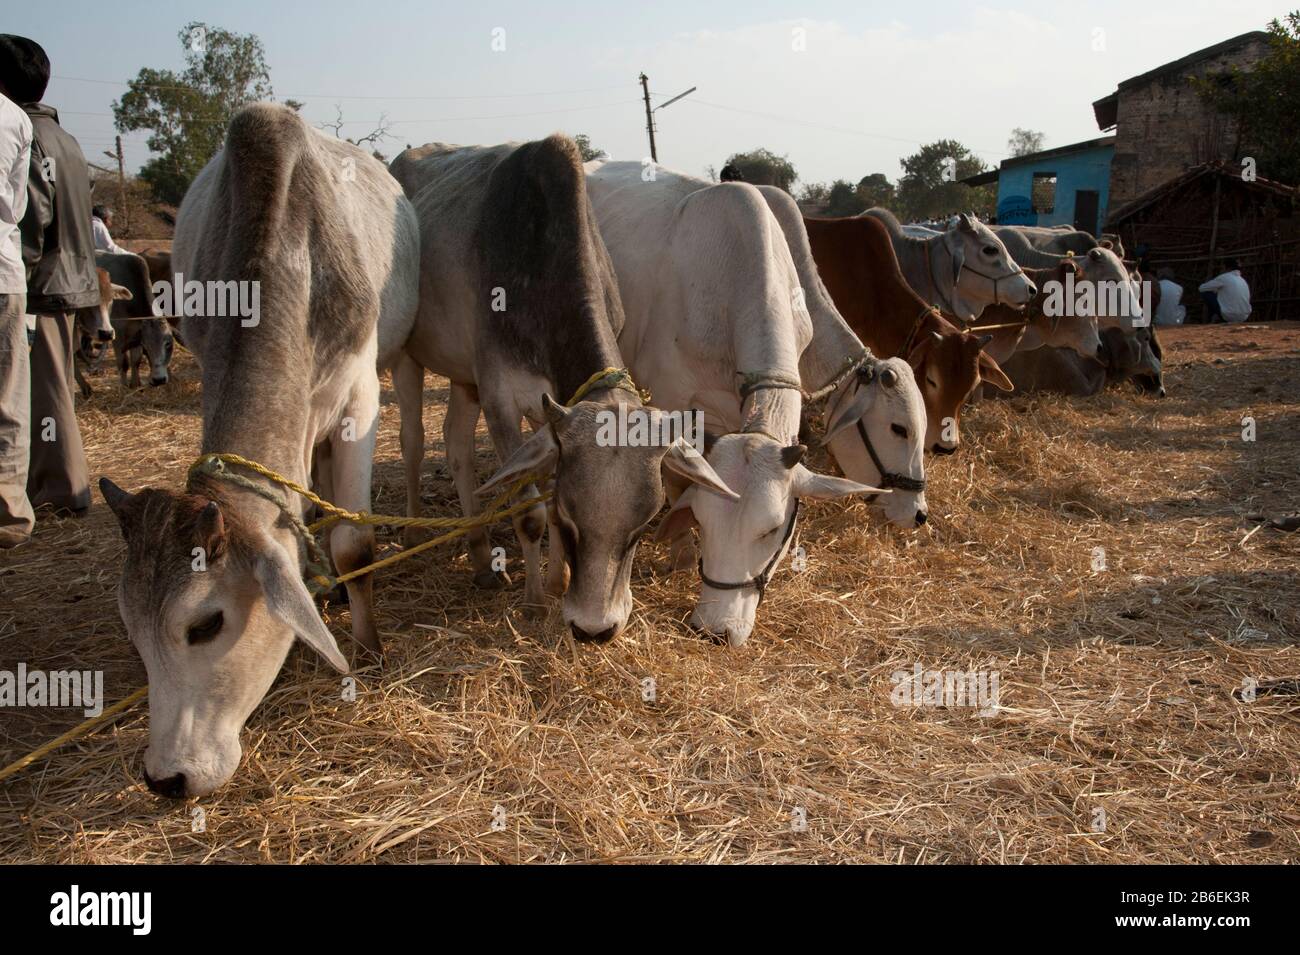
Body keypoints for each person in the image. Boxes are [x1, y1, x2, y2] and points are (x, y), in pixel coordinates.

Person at [4, 35, 98, 522]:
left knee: (45, 392)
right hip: (70, 277)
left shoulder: (28, 134)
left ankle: (62, 489)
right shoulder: (66, 138)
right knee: (52, 385)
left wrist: (19, 271)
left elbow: (32, 216)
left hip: (42, 282)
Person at [0, 70, 32, 547]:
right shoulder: (13, 117)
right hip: (3, 273)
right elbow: (18, 206)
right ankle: (8, 518)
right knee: (7, 396)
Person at [1199, 258, 1252, 324]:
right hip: (1244, 316)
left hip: (1229, 315)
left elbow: (1201, 288)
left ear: (1226, 267)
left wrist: (1215, 290)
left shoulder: (1224, 277)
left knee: (1206, 293)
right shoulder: (1243, 280)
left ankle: (1212, 319)